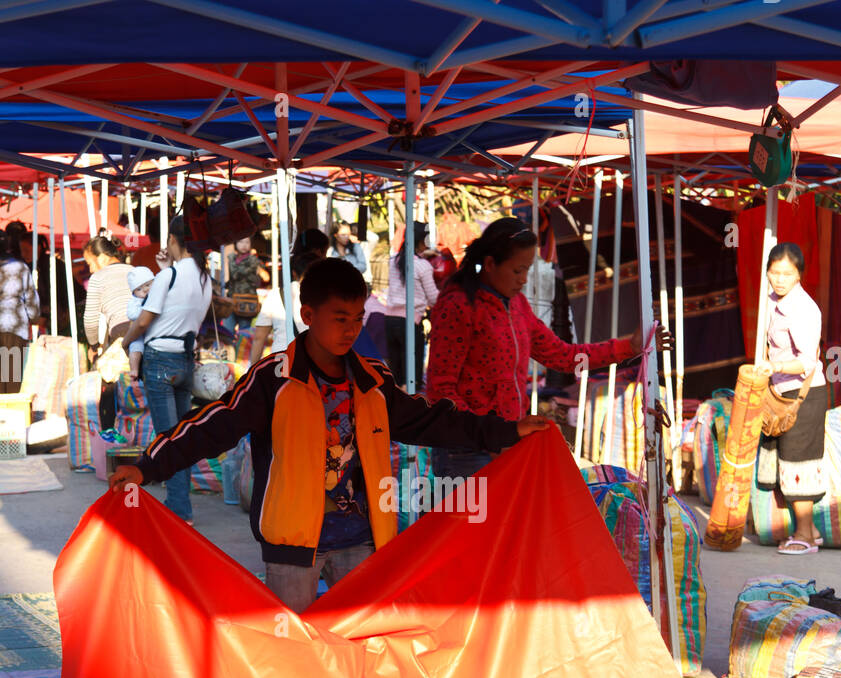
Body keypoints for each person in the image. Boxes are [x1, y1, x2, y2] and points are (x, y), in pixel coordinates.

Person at [109, 259, 548, 612]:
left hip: (363, 539)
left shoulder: (374, 380)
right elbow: (210, 428)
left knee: (360, 647)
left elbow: (431, 420)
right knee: (289, 656)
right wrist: (146, 467)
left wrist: (507, 431)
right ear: (307, 315)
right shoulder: (272, 379)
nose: (352, 330)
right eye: (340, 318)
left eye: (358, 318)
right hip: (292, 545)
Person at [426, 216, 669, 481]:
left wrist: (628, 348)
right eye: (517, 270)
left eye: (527, 270)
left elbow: (564, 357)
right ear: (489, 264)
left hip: (504, 443)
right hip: (466, 452)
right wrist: (488, 437)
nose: (523, 280)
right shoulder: (458, 306)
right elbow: (441, 389)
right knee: (468, 523)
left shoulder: (517, 305)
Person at [120, 215, 213, 523]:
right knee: (180, 437)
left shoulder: (169, 276)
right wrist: (163, 272)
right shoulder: (203, 277)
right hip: (186, 359)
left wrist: (127, 340)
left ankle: (179, 509)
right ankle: (179, 504)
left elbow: (144, 320)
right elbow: (182, 309)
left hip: (160, 359)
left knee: (167, 439)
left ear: (173, 240)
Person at [755, 242, 827, 554]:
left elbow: (807, 362)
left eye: (787, 274)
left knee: (799, 462)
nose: (780, 279)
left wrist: (775, 366)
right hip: (780, 392)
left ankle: (806, 538)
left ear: (799, 275)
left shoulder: (804, 309)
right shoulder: (771, 301)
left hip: (804, 395)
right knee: (786, 462)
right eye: (774, 273)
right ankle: (808, 531)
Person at [248, 228, 329, 365]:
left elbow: (259, 338)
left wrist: (251, 372)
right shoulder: (328, 295)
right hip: (315, 364)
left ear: (294, 273)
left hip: (280, 365)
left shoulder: (276, 294)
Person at [385, 221, 438, 388]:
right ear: (422, 241)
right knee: (411, 377)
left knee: (396, 375)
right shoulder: (423, 266)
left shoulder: (393, 260)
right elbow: (433, 299)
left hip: (390, 321)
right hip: (409, 323)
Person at [0, 228, 39, 392]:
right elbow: (31, 301)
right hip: (15, 330)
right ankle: (11, 417)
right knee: (13, 379)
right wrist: (35, 317)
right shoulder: (20, 267)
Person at [82, 234, 131, 353]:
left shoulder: (97, 278)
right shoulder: (134, 270)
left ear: (102, 258)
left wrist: (93, 346)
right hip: (146, 330)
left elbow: (90, 320)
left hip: (121, 332)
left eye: (90, 264)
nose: (91, 270)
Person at [125, 266, 154, 381]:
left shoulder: (158, 296)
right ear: (134, 293)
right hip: (140, 333)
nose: (145, 290)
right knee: (135, 347)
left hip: (154, 331)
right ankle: (134, 369)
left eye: (148, 285)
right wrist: (144, 311)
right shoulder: (135, 301)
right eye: (139, 289)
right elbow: (131, 314)